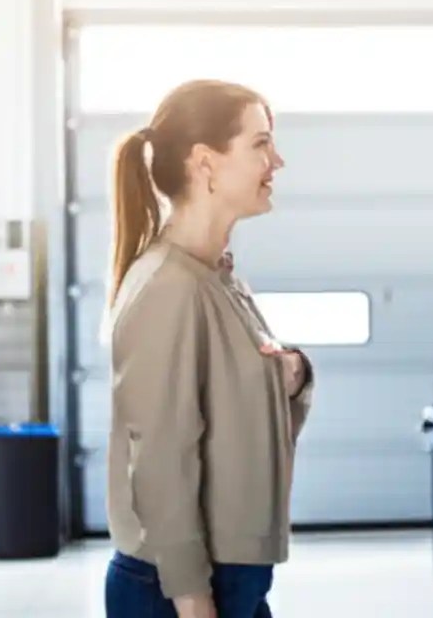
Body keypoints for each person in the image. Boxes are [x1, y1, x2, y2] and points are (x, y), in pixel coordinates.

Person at [102, 79, 314, 618]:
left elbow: (235, 414)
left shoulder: (217, 278)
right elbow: (159, 461)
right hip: (181, 588)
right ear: (206, 162)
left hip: (231, 579)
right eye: (260, 144)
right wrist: (193, 600)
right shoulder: (168, 288)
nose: (278, 161)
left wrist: (294, 373)